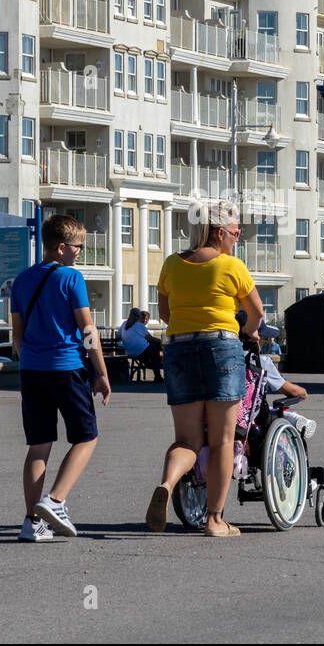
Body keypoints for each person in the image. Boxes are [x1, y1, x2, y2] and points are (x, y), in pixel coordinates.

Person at [146, 201, 263, 537]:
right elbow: (256, 314)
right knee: (224, 439)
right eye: (236, 232)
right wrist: (249, 331)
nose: (237, 238)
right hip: (221, 348)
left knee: (187, 439)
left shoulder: (172, 264)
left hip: (180, 349)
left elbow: (166, 314)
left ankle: (167, 484)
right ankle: (214, 520)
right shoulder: (232, 266)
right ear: (219, 231)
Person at [10, 215, 111, 542]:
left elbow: (16, 335)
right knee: (87, 437)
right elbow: (87, 329)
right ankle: (55, 500)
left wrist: (30, 356)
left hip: (31, 370)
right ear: (61, 246)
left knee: (39, 445)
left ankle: (31, 523)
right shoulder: (71, 277)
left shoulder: (22, 280)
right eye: (78, 246)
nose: (80, 252)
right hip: (66, 367)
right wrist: (101, 372)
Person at [118, 307, 162, 383]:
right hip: (141, 351)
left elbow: (118, 335)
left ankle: (155, 365)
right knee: (156, 346)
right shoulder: (139, 325)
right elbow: (150, 338)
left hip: (130, 351)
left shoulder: (124, 324)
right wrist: (160, 341)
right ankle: (158, 371)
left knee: (155, 349)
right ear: (138, 316)